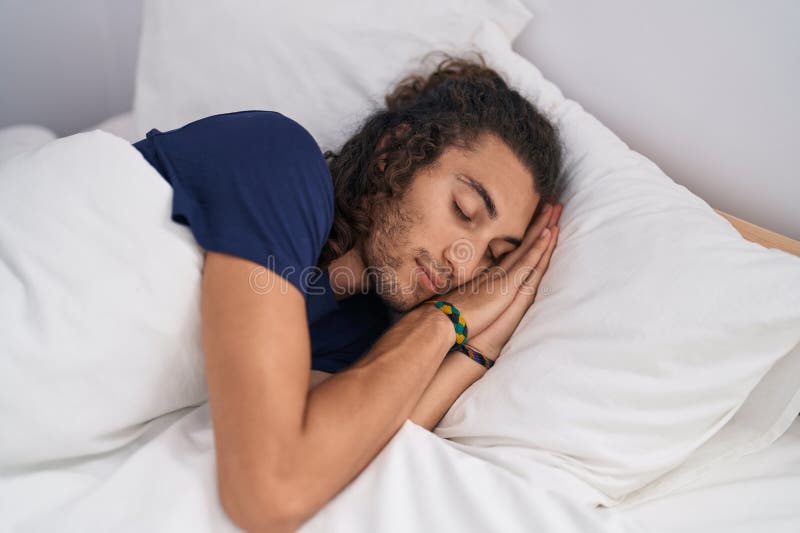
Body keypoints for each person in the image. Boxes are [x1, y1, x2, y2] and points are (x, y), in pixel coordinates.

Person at [133, 52, 564, 533]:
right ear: (393, 155)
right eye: (464, 210)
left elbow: (334, 467)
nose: (463, 264)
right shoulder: (279, 162)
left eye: (494, 257)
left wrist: (478, 343)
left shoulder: (355, 332)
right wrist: (440, 320)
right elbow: (268, 491)